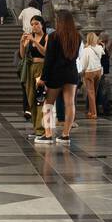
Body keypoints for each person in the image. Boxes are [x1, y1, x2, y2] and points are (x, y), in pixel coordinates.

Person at [36, 9, 81, 144]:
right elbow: (76, 56)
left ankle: (48, 134)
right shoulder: (77, 36)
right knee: (70, 104)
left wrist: (43, 77)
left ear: (60, 21)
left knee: (48, 103)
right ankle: (65, 135)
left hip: (56, 73)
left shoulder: (54, 36)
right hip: (72, 72)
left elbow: (49, 59)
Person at [21, 17, 48, 132]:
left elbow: (45, 52)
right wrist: (21, 43)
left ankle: (41, 128)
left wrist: (35, 41)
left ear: (42, 24)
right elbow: (23, 56)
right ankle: (36, 126)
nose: (34, 26)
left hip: (41, 68)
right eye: (32, 24)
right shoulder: (30, 38)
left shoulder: (47, 37)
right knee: (30, 97)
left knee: (40, 98)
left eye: (36, 24)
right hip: (30, 68)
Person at [79, 31, 105, 118]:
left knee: (91, 93)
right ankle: (91, 111)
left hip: (89, 72)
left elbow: (84, 63)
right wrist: (101, 45)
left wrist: (81, 72)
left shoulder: (86, 50)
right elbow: (103, 52)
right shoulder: (99, 48)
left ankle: (94, 113)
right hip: (98, 71)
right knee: (95, 92)